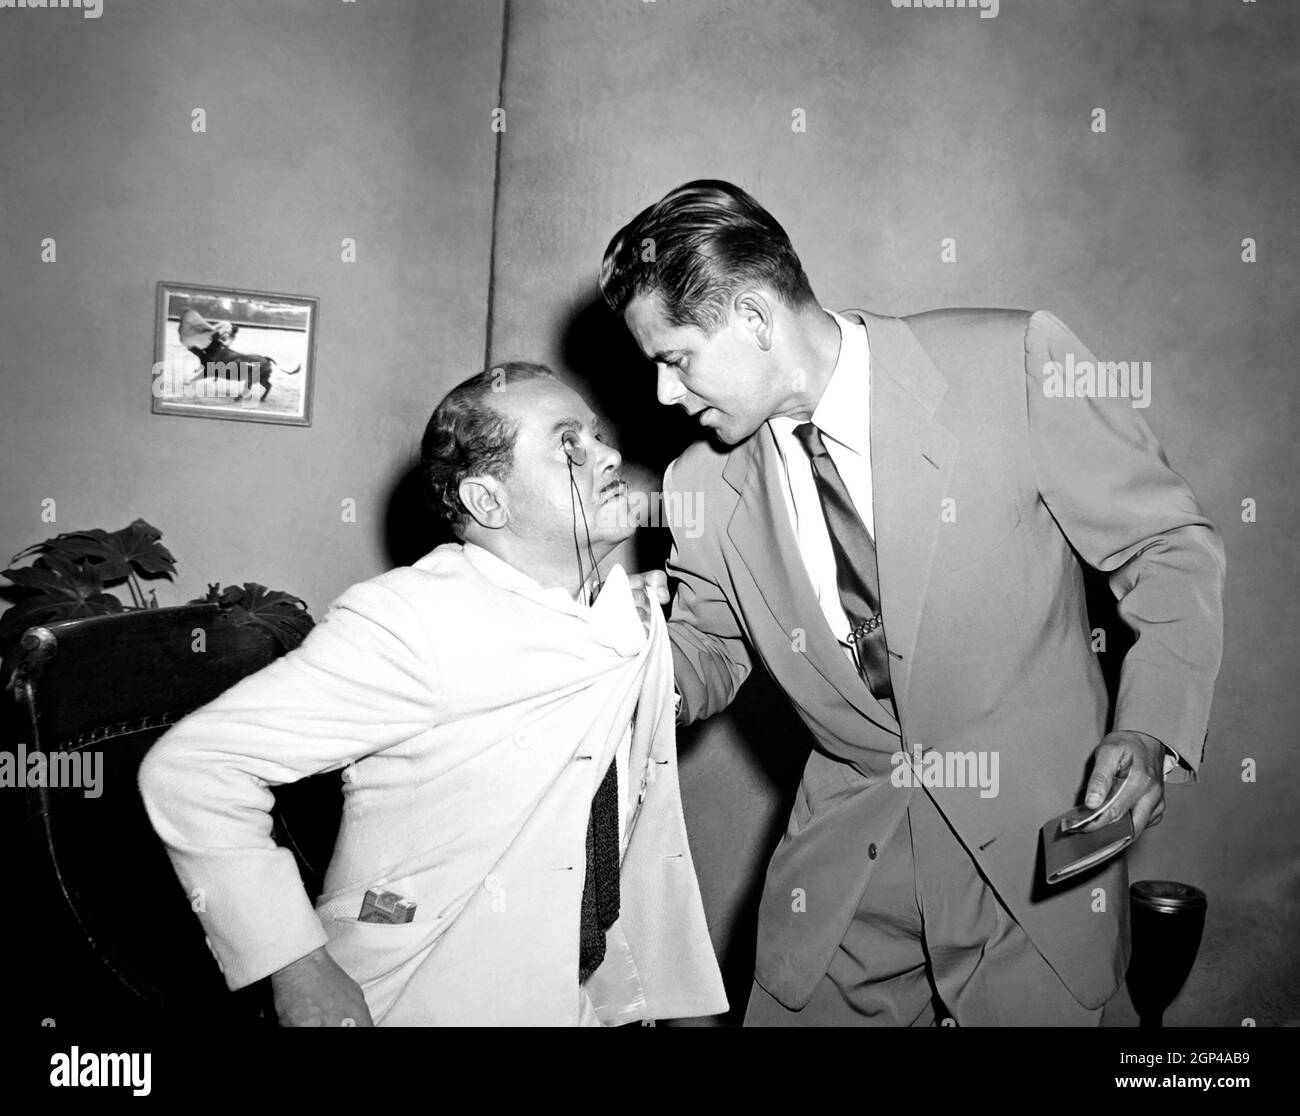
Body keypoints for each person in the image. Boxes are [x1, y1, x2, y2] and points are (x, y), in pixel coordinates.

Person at [600, 180, 1226, 1026]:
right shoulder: (700, 480)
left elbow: (1167, 547)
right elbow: (704, 658)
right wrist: (608, 649)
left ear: (752, 317)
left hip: (1037, 865)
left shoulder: (1015, 362)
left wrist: (1149, 727)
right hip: (843, 890)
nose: (667, 396)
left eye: (675, 359)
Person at [139, 361, 726, 1027]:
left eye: (593, 434)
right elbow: (193, 768)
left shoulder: (619, 619)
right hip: (413, 996)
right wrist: (297, 967)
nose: (609, 454)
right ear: (487, 502)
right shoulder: (410, 621)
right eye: (568, 443)